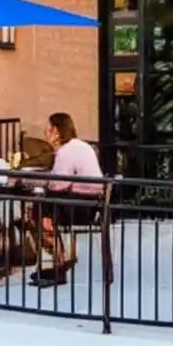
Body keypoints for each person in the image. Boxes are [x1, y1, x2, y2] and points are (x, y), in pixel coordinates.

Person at [33, 112, 105, 287]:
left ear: (56, 131)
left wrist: (42, 184)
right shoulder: (82, 146)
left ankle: (58, 261)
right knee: (44, 209)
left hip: (79, 207)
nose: (45, 132)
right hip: (92, 205)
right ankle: (58, 260)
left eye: (48, 129)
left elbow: (59, 184)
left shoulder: (66, 151)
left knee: (39, 210)